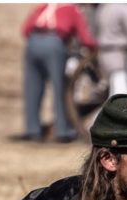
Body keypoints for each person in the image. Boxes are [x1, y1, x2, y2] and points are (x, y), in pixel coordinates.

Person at [15, 3, 97, 143]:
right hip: (54, 42)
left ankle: (32, 130)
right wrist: (95, 47)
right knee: (60, 88)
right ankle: (62, 131)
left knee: (32, 88)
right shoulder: (72, 9)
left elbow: (25, 29)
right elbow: (85, 38)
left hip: (32, 43)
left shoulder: (43, 6)